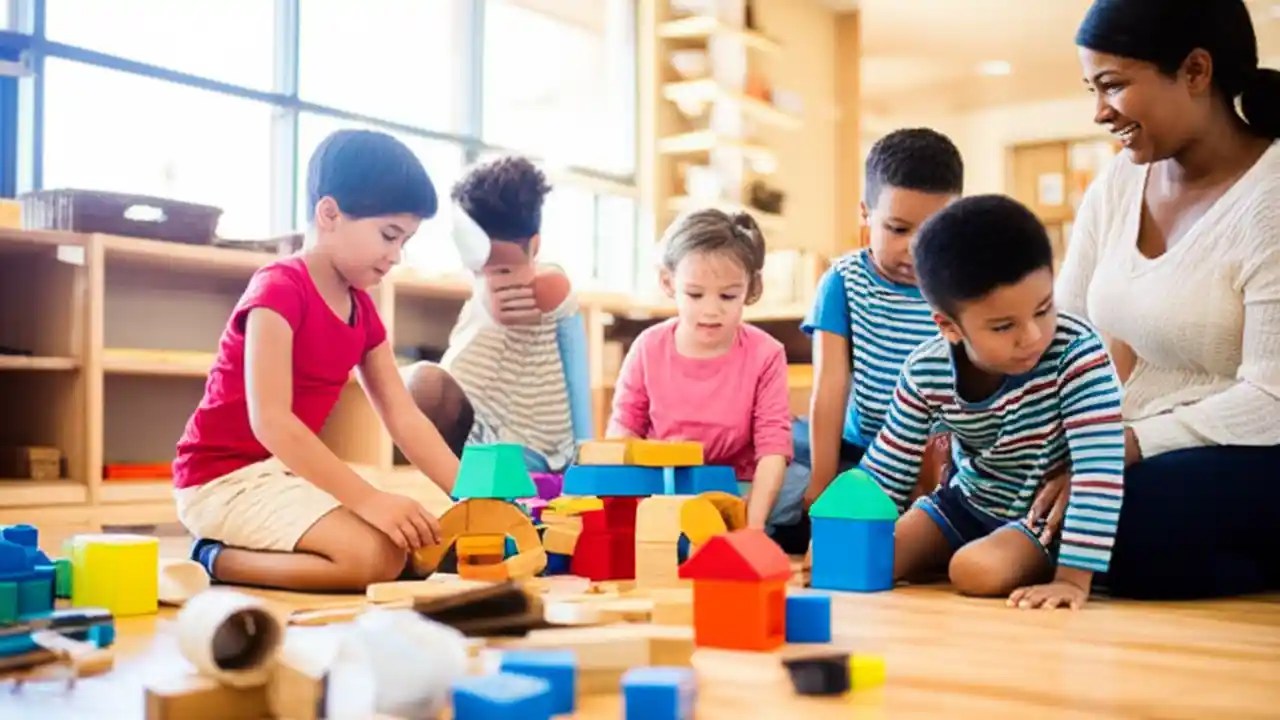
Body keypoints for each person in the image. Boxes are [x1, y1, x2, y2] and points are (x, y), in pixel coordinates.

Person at [173, 129, 460, 592]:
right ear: (329, 213)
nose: (396, 256)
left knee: (412, 547)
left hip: (281, 475)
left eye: (404, 240)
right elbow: (272, 422)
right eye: (389, 235)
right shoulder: (279, 289)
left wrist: (476, 500)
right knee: (371, 558)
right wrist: (369, 500)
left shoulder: (361, 307)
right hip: (221, 480)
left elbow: (404, 417)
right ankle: (215, 559)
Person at [1061, 0, 1280, 598]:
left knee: (1128, 522)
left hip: (1255, 441)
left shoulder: (1272, 200)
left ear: (1196, 71)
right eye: (1092, 88)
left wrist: (1127, 443)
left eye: (1113, 86)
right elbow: (1066, 328)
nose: (1099, 112)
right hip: (1140, 437)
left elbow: (1271, 398)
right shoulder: (1118, 182)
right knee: (1035, 489)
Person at [853, 195, 1126, 610]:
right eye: (1003, 326)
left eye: (1044, 309)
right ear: (949, 326)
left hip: (1039, 519)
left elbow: (1098, 470)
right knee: (860, 560)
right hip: (966, 502)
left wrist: (1072, 579)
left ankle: (1003, 557)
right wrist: (844, 532)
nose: (1033, 336)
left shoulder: (1077, 352)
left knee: (973, 571)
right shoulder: (925, 372)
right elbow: (888, 466)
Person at [793, 128, 965, 526]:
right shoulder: (844, 280)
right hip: (860, 453)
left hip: (942, 457)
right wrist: (821, 482)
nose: (915, 248)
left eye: (932, 232)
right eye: (898, 229)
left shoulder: (960, 284)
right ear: (866, 215)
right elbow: (830, 385)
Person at [401, 156, 591, 474]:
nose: (496, 280)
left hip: (528, 450)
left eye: (504, 269)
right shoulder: (480, 286)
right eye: (483, 267)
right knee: (415, 382)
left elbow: (555, 287)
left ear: (535, 247)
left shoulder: (547, 286)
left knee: (421, 383)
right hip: (476, 433)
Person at [607, 209, 793, 532]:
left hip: (736, 484)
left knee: (797, 485)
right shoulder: (648, 347)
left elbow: (773, 448)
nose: (711, 310)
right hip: (663, 484)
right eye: (695, 295)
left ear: (750, 289)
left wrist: (754, 527)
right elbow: (623, 430)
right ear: (668, 282)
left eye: (728, 296)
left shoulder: (767, 354)